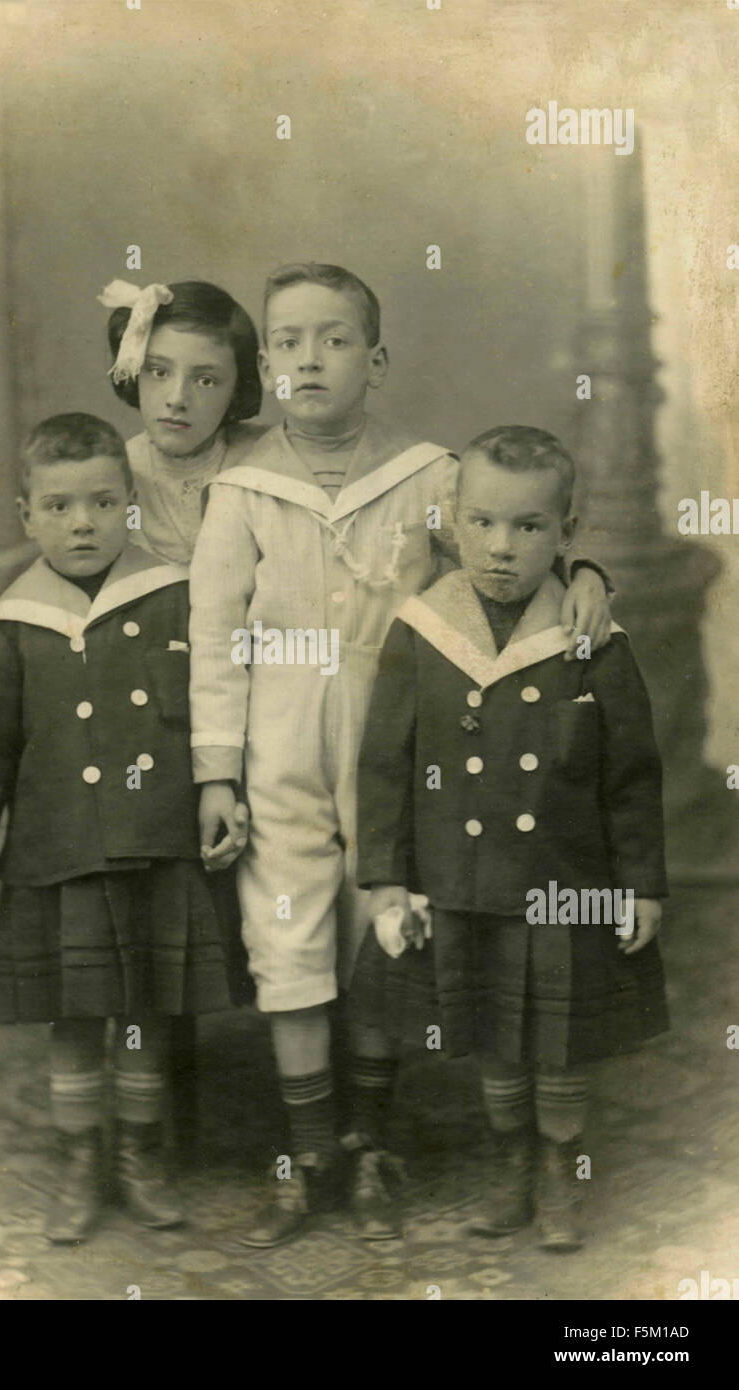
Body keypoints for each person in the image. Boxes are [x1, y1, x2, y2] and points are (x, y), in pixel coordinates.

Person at [188, 263, 615, 1246]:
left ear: (373, 360)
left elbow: (514, 523)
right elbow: (213, 635)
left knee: (385, 929)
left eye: (333, 340)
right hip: (278, 737)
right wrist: (217, 771)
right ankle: (311, 1152)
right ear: (264, 362)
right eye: (287, 342)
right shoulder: (241, 490)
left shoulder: (427, 473)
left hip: (405, 736)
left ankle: (369, 1138)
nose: (308, 359)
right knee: (288, 939)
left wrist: (581, 567)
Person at [0, 412, 250, 1244]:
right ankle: (83, 1162)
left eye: (101, 502)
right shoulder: (7, 629)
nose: (81, 522)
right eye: (58, 506)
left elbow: (218, 709)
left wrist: (226, 789)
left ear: (131, 505)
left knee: (146, 1014)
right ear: (26, 515)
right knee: (76, 1021)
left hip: (155, 851)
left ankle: (141, 1159)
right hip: (60, 861)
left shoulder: (177, 598)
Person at [350, 425, 668, 1251]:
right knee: (493, 1032)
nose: (501, 548)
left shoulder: (589, 637)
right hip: (462, 884)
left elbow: (631, 775)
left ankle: (562, 1166)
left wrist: (641, 884)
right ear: (452, 522)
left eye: (529, 528)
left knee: (557, 1040)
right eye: (483, 523)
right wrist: (387, 879)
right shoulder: (422, 629)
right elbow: (385, 764)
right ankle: (513, 1162)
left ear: (567, 532)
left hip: (563, 882)